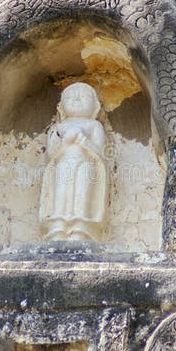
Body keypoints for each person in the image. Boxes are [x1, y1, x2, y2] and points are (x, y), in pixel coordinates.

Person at [39, 82, 108, 241]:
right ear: (61, 107)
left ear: (95, 106)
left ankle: (81, 229)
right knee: (61, 196)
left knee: (81, 196)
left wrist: (82, 140)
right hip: (63, 164)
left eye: (83, 96)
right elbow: (51, 153)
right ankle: (58, 228)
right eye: (70, 97)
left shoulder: (94, 125)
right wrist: (65, 142)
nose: (76, 99)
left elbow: (100, 152)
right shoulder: (59, 127)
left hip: (86, 164)